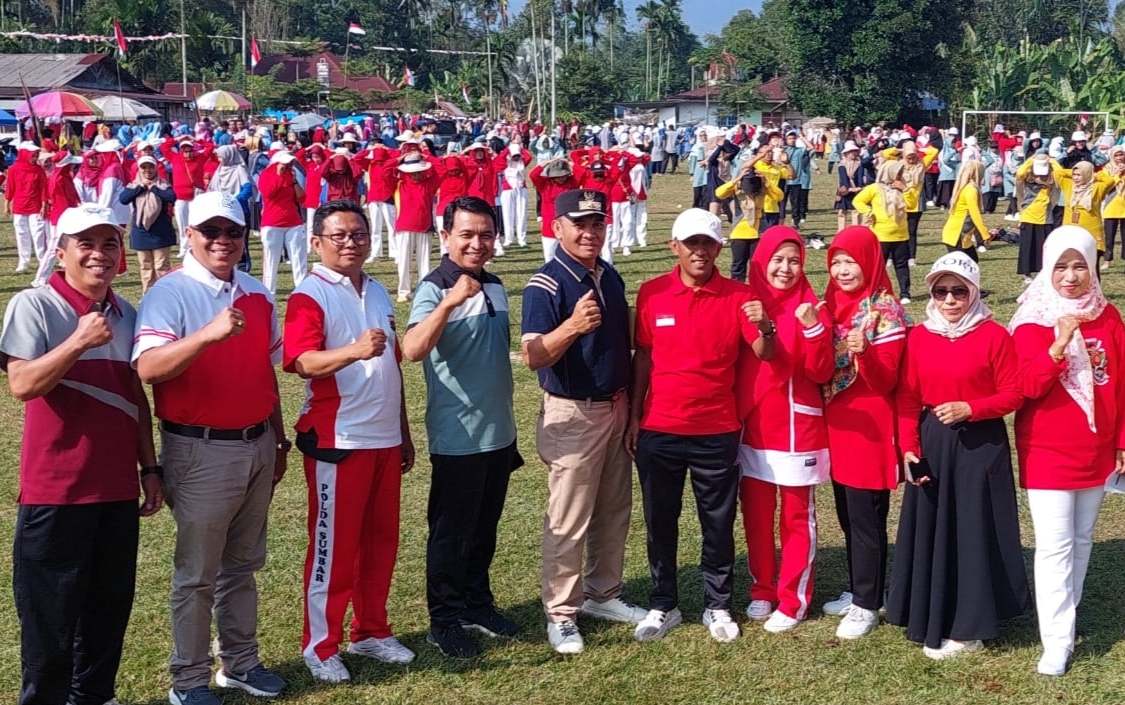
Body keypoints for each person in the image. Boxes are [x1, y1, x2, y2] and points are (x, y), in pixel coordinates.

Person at [2, 204, 163, 705]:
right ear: (62, 249)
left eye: (110, 243)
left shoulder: (127, 313)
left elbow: (136, 398)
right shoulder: (35, 304)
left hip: (115, 489)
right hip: (57, 492)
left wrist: (150, 467)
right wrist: (78, 340)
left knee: (107, 616)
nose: (100, 254)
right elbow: (23, 384)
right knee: (49, 626)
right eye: (86, 244)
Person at [132, 191, 289, 705]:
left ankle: (240, 663)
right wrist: (206, 336)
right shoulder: (169, 292)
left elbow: (265, 369)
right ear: (190, 236)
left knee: (242, 565)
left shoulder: (257, 293)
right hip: (199, 450)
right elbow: (148, 369)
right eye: (211, 232)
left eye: (233, 232)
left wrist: (278, 436)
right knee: (198, 575)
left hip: (256, 442)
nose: (223, 241)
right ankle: (190, 680)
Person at [283, 201, 416, 683]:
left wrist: (402, 431)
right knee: (333, 549)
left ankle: (372, 630)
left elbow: (392, 368)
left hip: (382, 438)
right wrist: (355, 350)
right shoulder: (309, 294)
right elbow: (302, 361)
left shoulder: (378, 290)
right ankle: (320, 644)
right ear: (317, 242)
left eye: (358, 233)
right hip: (339, 439)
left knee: (381, 543)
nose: (350, 242)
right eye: (338, 235)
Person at [627, 208, 774, 644]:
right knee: (660, 520)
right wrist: (635, 416)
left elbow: (764, 351)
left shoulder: (739, 296)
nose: (700, 251)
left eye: (708, 243)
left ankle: (717, 604)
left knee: (717, 522)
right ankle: (663, 602)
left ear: (719, 248)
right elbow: (643, 358)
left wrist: (764, 322)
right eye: (691, 243)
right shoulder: (652, 293)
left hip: (716, 429)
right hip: (660, 429)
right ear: (675, 246)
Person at [521, 190, 646, 655]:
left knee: (613, 510)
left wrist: (630, 407)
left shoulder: (608, 274)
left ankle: (603, 594)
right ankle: (561, 611)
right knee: (568, 519)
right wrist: (571, 327)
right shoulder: (546, 284)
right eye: (580, 224)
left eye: (597, 223)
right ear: (558, 228)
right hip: (572, 412)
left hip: (614, 406)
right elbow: (533, 355)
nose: (590, 232)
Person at [887, 252, 1028, 660]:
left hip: (979, 444)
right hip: (933, 441)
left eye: (959, 291)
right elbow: (907, 397)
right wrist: (909, 447)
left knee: (972, 529)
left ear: (974, 292)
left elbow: (1013, 393)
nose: (950, 300)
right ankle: (928, 610)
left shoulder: (994, 336)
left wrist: (972, 408)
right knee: (932, 526)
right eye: (942, 290)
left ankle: (972, 626)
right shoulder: (919, 337)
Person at [401, 196, 522, 659]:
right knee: (450, 532)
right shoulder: (435, 287)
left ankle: (477, 603)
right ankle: (445, 618)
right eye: (466, 234)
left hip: (498, 433)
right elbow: (412, 349)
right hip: (458, 437)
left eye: (485, 234)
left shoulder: (495, 285)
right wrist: (450, 302)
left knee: (484, 527)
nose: (477, 243)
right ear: (445, 236)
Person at [1010, 226, 1125, 676]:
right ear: (1046, 267)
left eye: (1080, 265)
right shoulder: (1032, 317)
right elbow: (1026, 388)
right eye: (1061, 266)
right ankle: (1055, 640)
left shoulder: (1108, 315)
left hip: (1097, 449)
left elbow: (1120, 384)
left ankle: (1066, 618)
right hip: (1048, 450)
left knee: (1081, 541)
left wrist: (1121, 443)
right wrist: (1057, 345)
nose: (1072, 276)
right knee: (1054, 547)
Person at [737, 226, 834, 634]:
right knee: (756, 516)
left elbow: (821, 370)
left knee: (796, 517)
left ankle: (794, 597)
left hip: (798, 427)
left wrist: (812, 328)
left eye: (794, 260)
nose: (786, 268)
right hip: (754, 424)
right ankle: (763, 587)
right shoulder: (747, 302)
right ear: (761, 260)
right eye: (777, 259)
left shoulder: (814, 305)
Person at [820, 225, 909, 640]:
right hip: (838, 423)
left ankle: (868, 602)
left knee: (865, 516)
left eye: (850, 261)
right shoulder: (832, 301)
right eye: (836, 261)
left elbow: (889, 379)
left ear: (870, 261)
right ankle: (860, 587)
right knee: (846, 513)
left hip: (870, 426)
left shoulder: (885, 309)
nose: (842, 269)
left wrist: (865, 353)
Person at [852, 161, 912, 304]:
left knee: (902, 264)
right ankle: (876, 291)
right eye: (897, 173)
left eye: (900, 173)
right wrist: (869, 212)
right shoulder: (874, 188)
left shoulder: (902, 187)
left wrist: (905, 190)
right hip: (881, 235)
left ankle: (905, 293)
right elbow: (857, 201)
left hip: (901, 234)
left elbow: (911, 205)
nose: (899, 175)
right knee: (879, 266)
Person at [716, 152, 778, 282]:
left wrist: (766, 182)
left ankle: (757, 291)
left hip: (758, 233)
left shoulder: (762, 189)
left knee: (758, 266)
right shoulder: (737, 189)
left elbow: (779, 196)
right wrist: (736, 180)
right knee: (738, 267)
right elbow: (719, 193)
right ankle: (737, 292)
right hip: (739, 233)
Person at [119, 155, 177, 294]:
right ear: (139, 169)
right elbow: (123, 199)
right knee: (145, 267)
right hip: (141, 232)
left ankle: (164, 295)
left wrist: (154, 189)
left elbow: (171, 197)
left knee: (161, 267)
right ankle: (148, 295)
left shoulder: (162, 184)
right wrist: (140, 188)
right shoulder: (134, 185)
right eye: (144, 167)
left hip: (160, 232)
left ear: (156, 168)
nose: (147, 170)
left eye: (150, 167)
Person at [257, 150, 307, 295]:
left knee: (298, 257)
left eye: (290, 162)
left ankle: (302, 290)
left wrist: (294, 181)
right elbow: (268, 193)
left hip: (293, 221)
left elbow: (301, 197)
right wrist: (279, 175)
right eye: (286, 162)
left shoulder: (292, 175)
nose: (290, 164)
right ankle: (268, 291)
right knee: (271, 260)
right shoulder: (266, 175)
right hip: (272, 223)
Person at [393, 152, 440, 302]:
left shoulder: (429, 183)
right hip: (404, 227)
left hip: (424, 226)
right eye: (412, 172)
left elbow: (441, 169)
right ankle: (404, 291)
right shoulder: (399, 183)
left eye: (418, 171)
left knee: (424, 262)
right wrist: (398, 158)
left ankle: (424, 290)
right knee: (404, 261)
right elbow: (385, 171)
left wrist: (426, 155)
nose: (416, 175)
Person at [33, 152, 82, 288]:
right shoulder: (60, 179)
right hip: (62, 218)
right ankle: (40, 278)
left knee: (61, 247)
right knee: (53, 249)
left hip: (62, 216)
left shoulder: (61, 177)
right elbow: (63, 202)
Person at [1053, 160, 1115, 268]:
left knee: (1092, 268)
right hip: (1071, 232)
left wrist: (1094, 175)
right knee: (1074, 266)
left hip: (1091, 233)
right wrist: (1072, 172)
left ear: (1087, 175)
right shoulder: (1068, 184)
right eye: (1074, 175)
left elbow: (1109, 180)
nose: (1075, 178)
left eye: (1079, 175)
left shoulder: (1097, 187)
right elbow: (1057, 173)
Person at [163, 135, 213, 257]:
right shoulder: (175, 158)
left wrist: (196, 139)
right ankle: (184, 248)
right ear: (181, 151)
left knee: (197, 222)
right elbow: (164, 147)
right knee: (182, 224)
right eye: (185, 151)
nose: (188, 153)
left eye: (190, 150)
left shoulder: (199, 158)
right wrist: (178, 138)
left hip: (196, 196)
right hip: (180, 197)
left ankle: (196, 247)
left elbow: (210, 147)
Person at [5, 141, 48, 275]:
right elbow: (10, 188)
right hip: (19, 206)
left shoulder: (39, 170)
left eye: (36, 155)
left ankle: (43, 260)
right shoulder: (13, 169)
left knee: (38, 234)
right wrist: (7, 205)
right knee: (21, 234)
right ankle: (23, 262)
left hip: (35, 207)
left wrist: (44, 205)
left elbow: (43, 189)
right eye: (33, 155)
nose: (35, 158)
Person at [1014, 152, 1058, 282]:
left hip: (1045, 216)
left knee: (1043, 247)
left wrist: (1052, 161)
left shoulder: (1052, 178)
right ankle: (1026, 274)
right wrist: (1030, 160)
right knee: (1027, 247)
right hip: (1028, 215)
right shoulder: (1027, 177)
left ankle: (1043, 271)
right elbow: (1019, 173)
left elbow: (1061, 173)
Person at [529, 158, 581, 261]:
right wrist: (544, 163)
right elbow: (533, 175)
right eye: (557, 176)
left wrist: (569, 162)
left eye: (563, 175)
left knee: (569, 255)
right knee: (549, 255)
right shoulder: (545, 184)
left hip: (568, 223)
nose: (561, 178)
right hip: (549, 225)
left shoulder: (572, 182)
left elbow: (582, 172)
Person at [940, 160, 991, 262]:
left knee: (973, 262)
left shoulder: (966, 187)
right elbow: (975, 214)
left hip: (959, 235)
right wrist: (985, 234)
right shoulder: (971, 190)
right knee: (961, 268)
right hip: (957, 235)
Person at [899, 141, 939, 267]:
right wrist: (900, 150)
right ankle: (892, 257)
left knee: (912, 231)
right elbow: (885, 154)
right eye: (908, 157)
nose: (911, 159)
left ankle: (911, 257)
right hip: (900, 201)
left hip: (916, 203)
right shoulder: (898, 165)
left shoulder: (922, 164)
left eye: (913, 156)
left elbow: (934, 151)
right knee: (898, 230)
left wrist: (918, 149)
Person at [1102, 145, 1125, 268]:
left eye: (1121, 154)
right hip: (1111, 206)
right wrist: (1117, 174)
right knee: (1109, 236)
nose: (1119, 158)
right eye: (1116, 155)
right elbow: (1107, 186)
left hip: (1124, 206)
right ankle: (1107, 260)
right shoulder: (1107, 168)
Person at [835, 141, 865, 232]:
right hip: (844, 190)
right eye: (851, 151)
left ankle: (856, 230)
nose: (853, 153)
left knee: (855, 211)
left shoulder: (859, 164)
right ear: (846, 153)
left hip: (856, 190)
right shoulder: (842, 164)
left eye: (854, 151)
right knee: (842, 211)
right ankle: (841, 230)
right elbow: (843, 178)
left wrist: (859, 187)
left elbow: (860, 176)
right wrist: (848, 188)